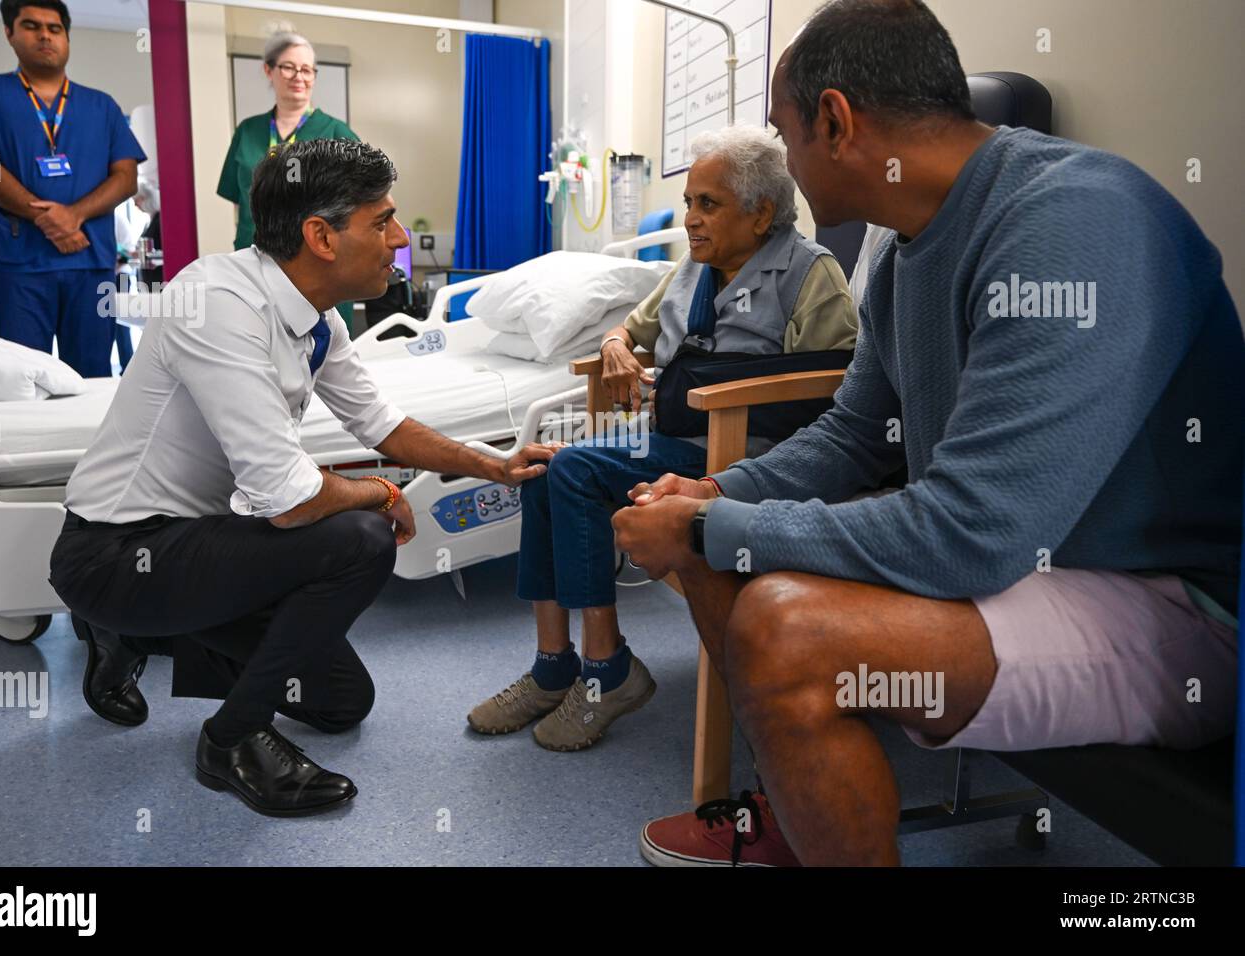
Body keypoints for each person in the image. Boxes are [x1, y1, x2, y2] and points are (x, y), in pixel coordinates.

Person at [616, 0, 1242, 866]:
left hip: (1172, 605)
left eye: (785, 134)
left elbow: (971, 533)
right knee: (717, 553)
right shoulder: (903, 249)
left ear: (835, 121)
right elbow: (854, 436)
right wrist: (713, 494)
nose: (785, 163)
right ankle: (805, 808)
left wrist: (705, 524)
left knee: (784, 625)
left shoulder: (1074, 219)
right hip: (1026, 562)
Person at [48, 139, 557, 818]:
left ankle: (138, 636)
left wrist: (492, 464)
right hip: (116, 553)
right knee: (363, 539)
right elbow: (288, 502)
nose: (400, 240)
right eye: (382, 222)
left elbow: (381, 424)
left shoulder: (318, 320)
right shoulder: (216, 302)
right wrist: (383, 493)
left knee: (341, 703)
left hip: (198, 544)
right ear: (320, 236)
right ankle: (228, 741)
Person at [466, 126, 858, 752]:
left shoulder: (810, 274)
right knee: (546, 469)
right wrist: (615, 347)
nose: (692, 218)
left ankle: (607, 672)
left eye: (709, 204)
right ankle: (553, 666)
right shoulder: (692, 267)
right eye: (689, 203)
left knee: (575, 469)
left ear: (761, 214)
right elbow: (631, 327)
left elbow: (834, 386)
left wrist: (723, 397)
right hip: (672, 439)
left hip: (742, 455)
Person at [0, 0, 145, 377]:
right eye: (31, 26)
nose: (45, 36)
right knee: (19, 376)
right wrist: (45, 217)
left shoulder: (101, 107)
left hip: (90, 264)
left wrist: (74, 216)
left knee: (93, 374)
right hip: (20, 265)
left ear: (67, 38)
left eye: (55, 29)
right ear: (9, 33)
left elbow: (126, 178)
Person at [217, 30, 362, 331]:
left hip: (318, 266)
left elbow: (363, 200)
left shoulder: (336, 133)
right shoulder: (248, 131)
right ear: (268, 70)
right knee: (256, 342)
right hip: (255, 263)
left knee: (320, 349)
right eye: (288, 67)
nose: (299, 77)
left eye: (307, 69)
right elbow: (239, 200)